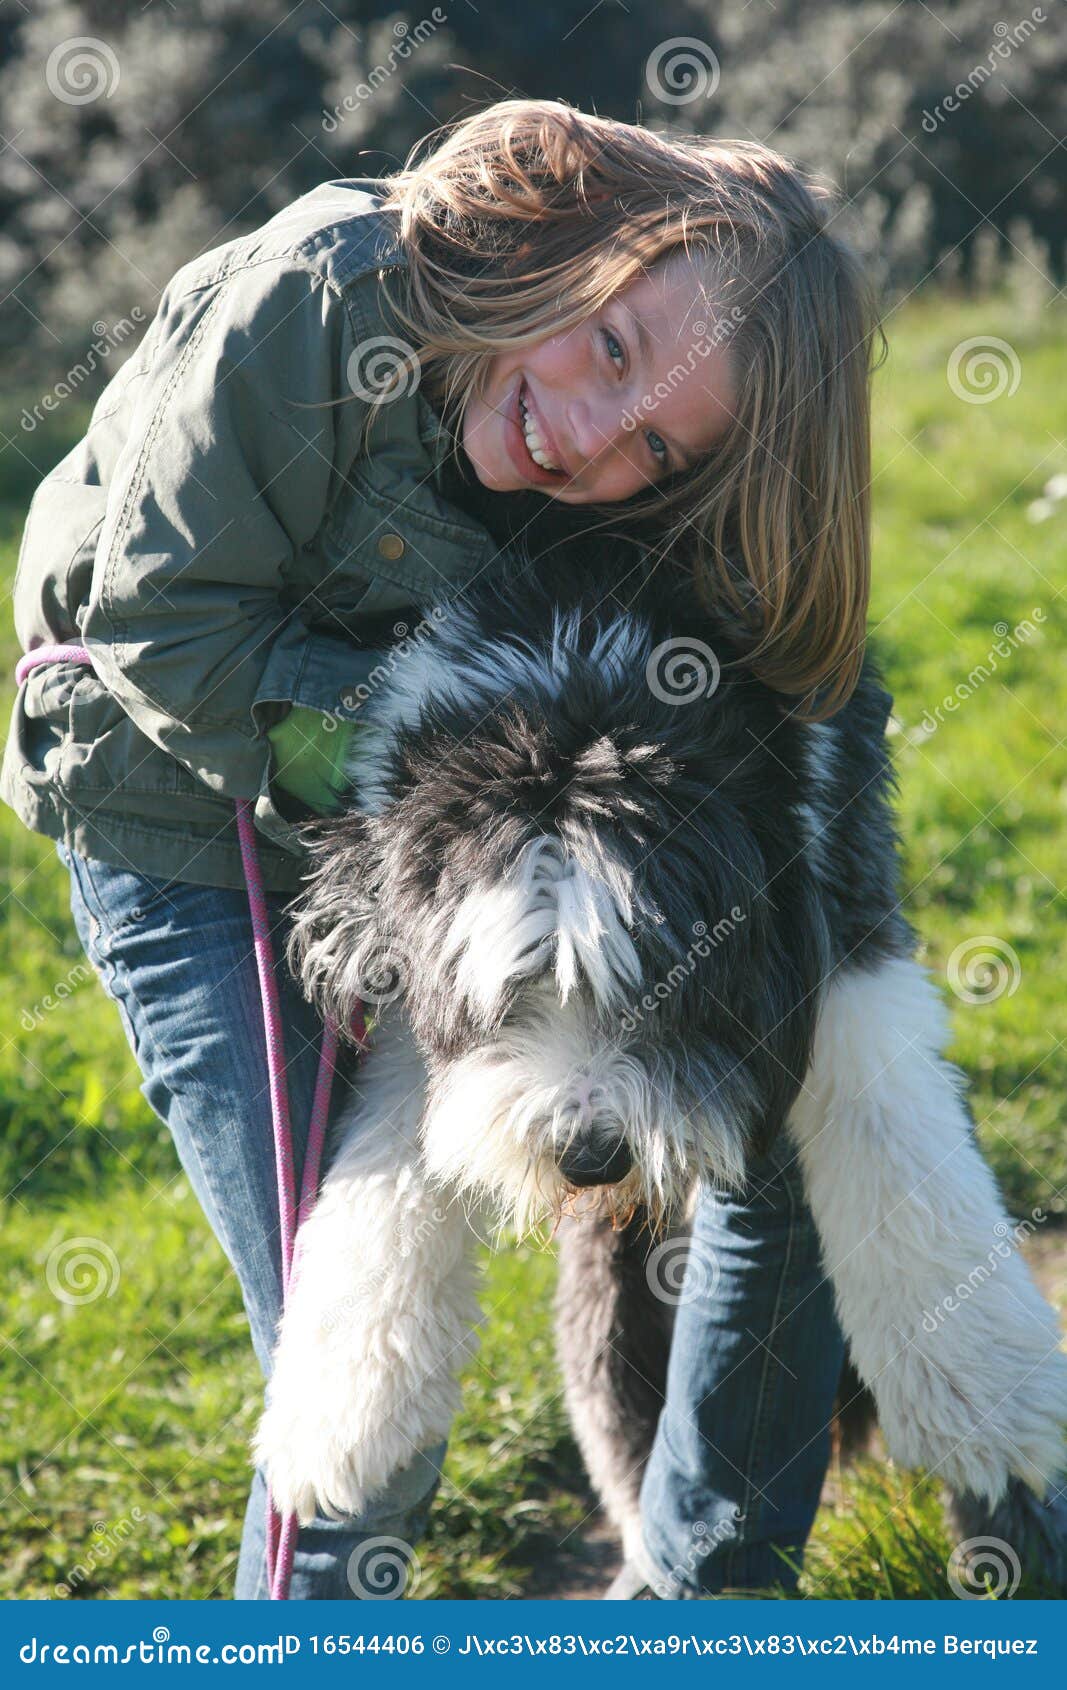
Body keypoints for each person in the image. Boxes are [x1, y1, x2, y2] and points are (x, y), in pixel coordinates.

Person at [2, 99, 879, 1599]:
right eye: (612, 347)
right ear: (591, 241)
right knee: (363, 1363)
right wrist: (443, 748)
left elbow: (773, 662)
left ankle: (708, 1600)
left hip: (459, 859)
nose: (588, 432)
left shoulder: (604, 473)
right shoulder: (323, 294)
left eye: (653, 443)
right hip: (186, 821)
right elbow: (159, 625)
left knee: (785, 1126)